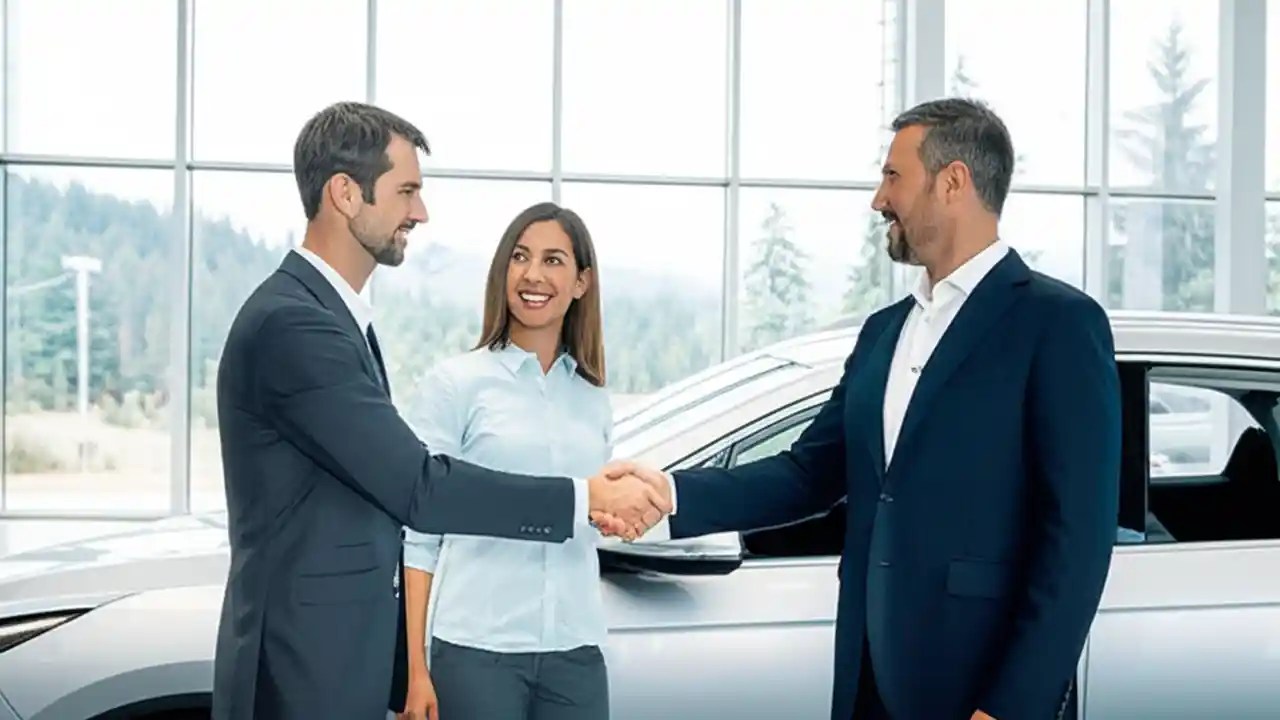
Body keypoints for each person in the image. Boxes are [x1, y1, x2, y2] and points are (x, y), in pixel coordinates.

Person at [615, 98, 1121, 719]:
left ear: (953, 181)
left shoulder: (1058, 324)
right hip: (870, 679)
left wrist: (1012, 706)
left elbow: (1077, 540)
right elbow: (811, 473)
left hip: (980, 688)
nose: (878, 200)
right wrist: (669, 494)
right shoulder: (884, 331)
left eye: (893, 177)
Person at [211, 102, 670, 720]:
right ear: (346, 194)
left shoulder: (332, 319)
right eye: (406, 191)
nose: (419, 213)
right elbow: (419, 488)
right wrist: (583, 499)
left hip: (334, 659)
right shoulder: (297, 325)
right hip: (305, 667)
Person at [398, 201, 620, 720]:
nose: (533, 274)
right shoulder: (456, 385)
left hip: (576, 650)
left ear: (582, 282)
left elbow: (588, 513)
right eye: (520, 257)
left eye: (553, 260)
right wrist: (415, 669)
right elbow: (419, 535)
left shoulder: (593, 397)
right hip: (478, 652)